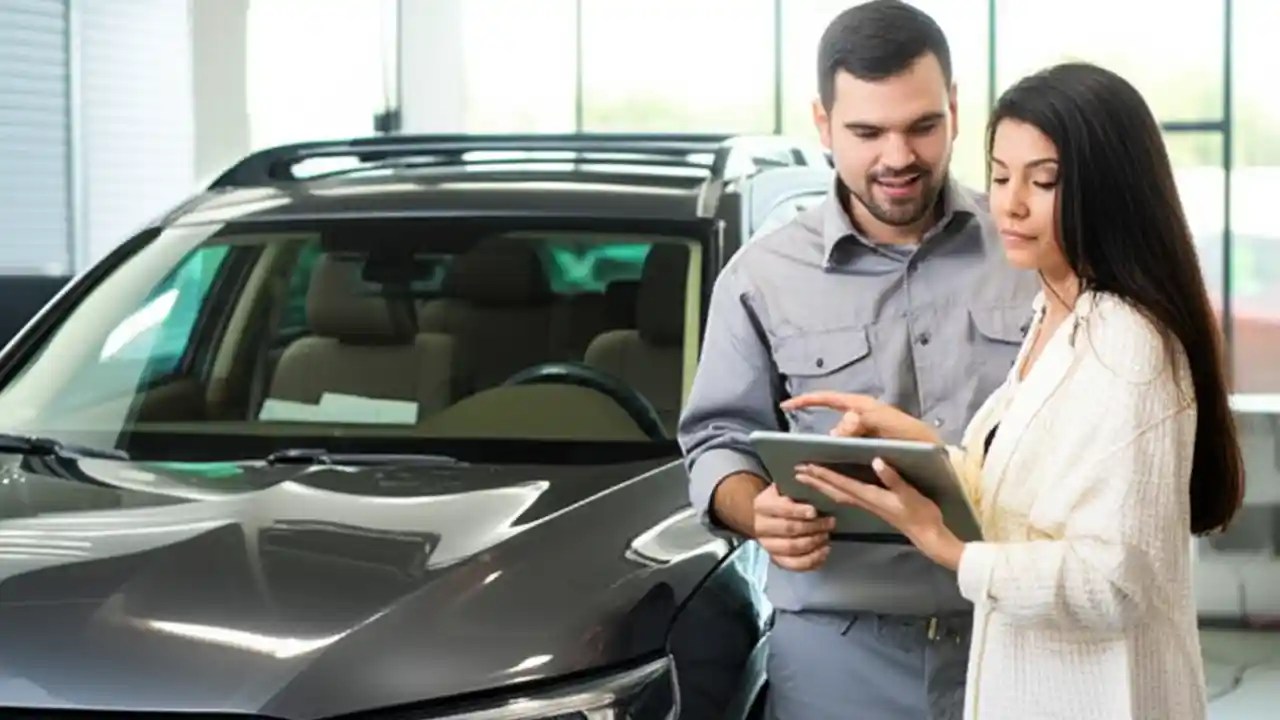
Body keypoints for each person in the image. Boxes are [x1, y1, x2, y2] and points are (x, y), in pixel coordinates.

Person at [785, 61, 1246, 720]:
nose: (1010, 202)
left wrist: (950, 550)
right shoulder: (1054, 311)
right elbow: (1029, 505)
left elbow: (1115, 583)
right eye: (1001, 175)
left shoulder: (1127, 341)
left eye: (1045, 181)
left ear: (1109, 190)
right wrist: (915, 440)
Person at [676, 2, 1037, 718]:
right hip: (837, 661)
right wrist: (758, 513)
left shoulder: (1032, 257)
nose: (898, 157)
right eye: (867, 132)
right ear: (823, 124)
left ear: (956, 110)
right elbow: (714, 444)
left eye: (922, 126)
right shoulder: (760, 278)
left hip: (1016, 639)